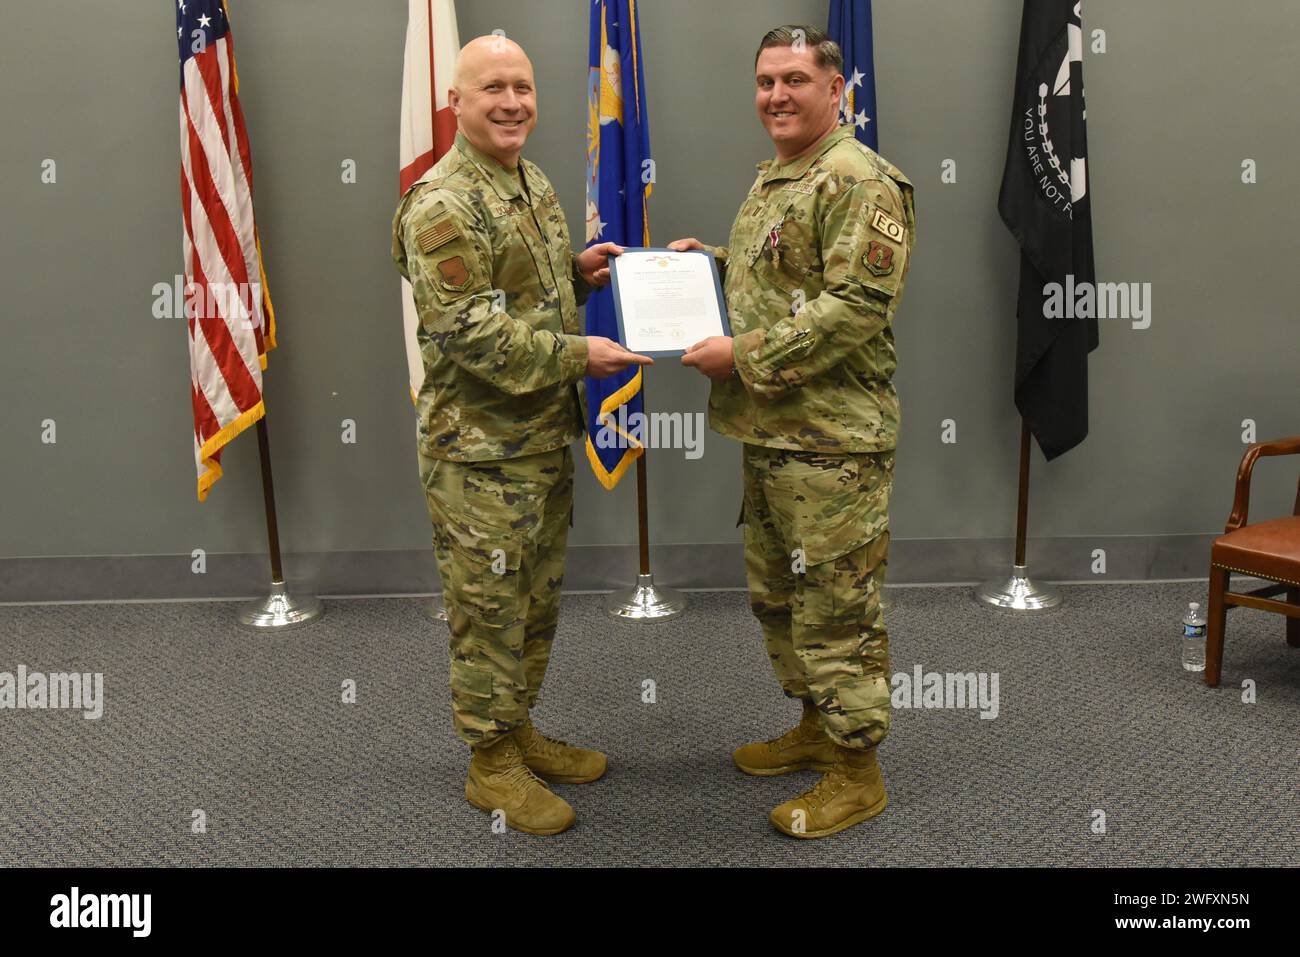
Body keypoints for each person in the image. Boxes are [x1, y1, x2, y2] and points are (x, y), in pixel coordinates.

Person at [392, 35, 652, 836]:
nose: (512, 103)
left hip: (537, 439)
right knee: (488, 610)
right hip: (478, 455)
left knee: (533, 603)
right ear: (457, 103)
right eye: (493, 89)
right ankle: (490, 761)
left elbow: (518, 290)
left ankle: (519, 728)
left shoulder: (527, 179)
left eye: (523, 87)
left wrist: (579, 271)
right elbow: (469, 331)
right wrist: (581, 354)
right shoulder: (442, 204)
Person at [670, 25, 915, 838]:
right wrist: (704, 265)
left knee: (837, 609)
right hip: (773, 434)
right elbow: (781, 278)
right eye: (766, 80)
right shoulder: (784, 175)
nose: (776, 95)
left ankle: (858, 770)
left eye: (796, 80)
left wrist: (740, 354)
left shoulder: (858, 179)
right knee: (781, 600)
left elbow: (856, 307)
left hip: (832, 446)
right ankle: (816, 726)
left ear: (836, 89)